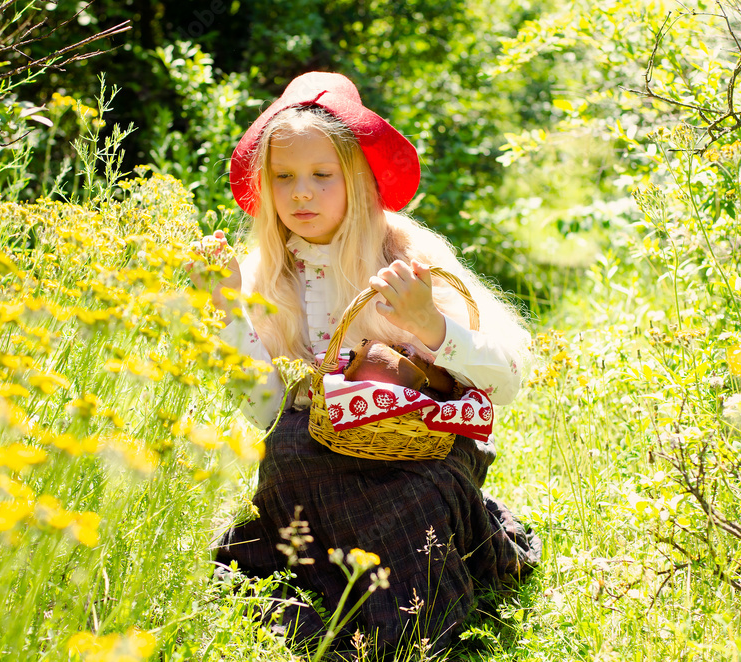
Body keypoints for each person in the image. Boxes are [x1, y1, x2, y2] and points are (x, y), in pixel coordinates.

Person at [188, 71, 540, 655]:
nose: (301, 193)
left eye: (322, 175)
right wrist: (226, 309)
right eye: (284, 177)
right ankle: (339, 590)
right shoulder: (266, 272)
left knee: (409, 498)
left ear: (356, 178)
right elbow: (267, 413)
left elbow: (507, 381)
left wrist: (430, 325)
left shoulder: (406, 254)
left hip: (417, 451)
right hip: (318, 458)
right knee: (287, 448)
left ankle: (406, 619)